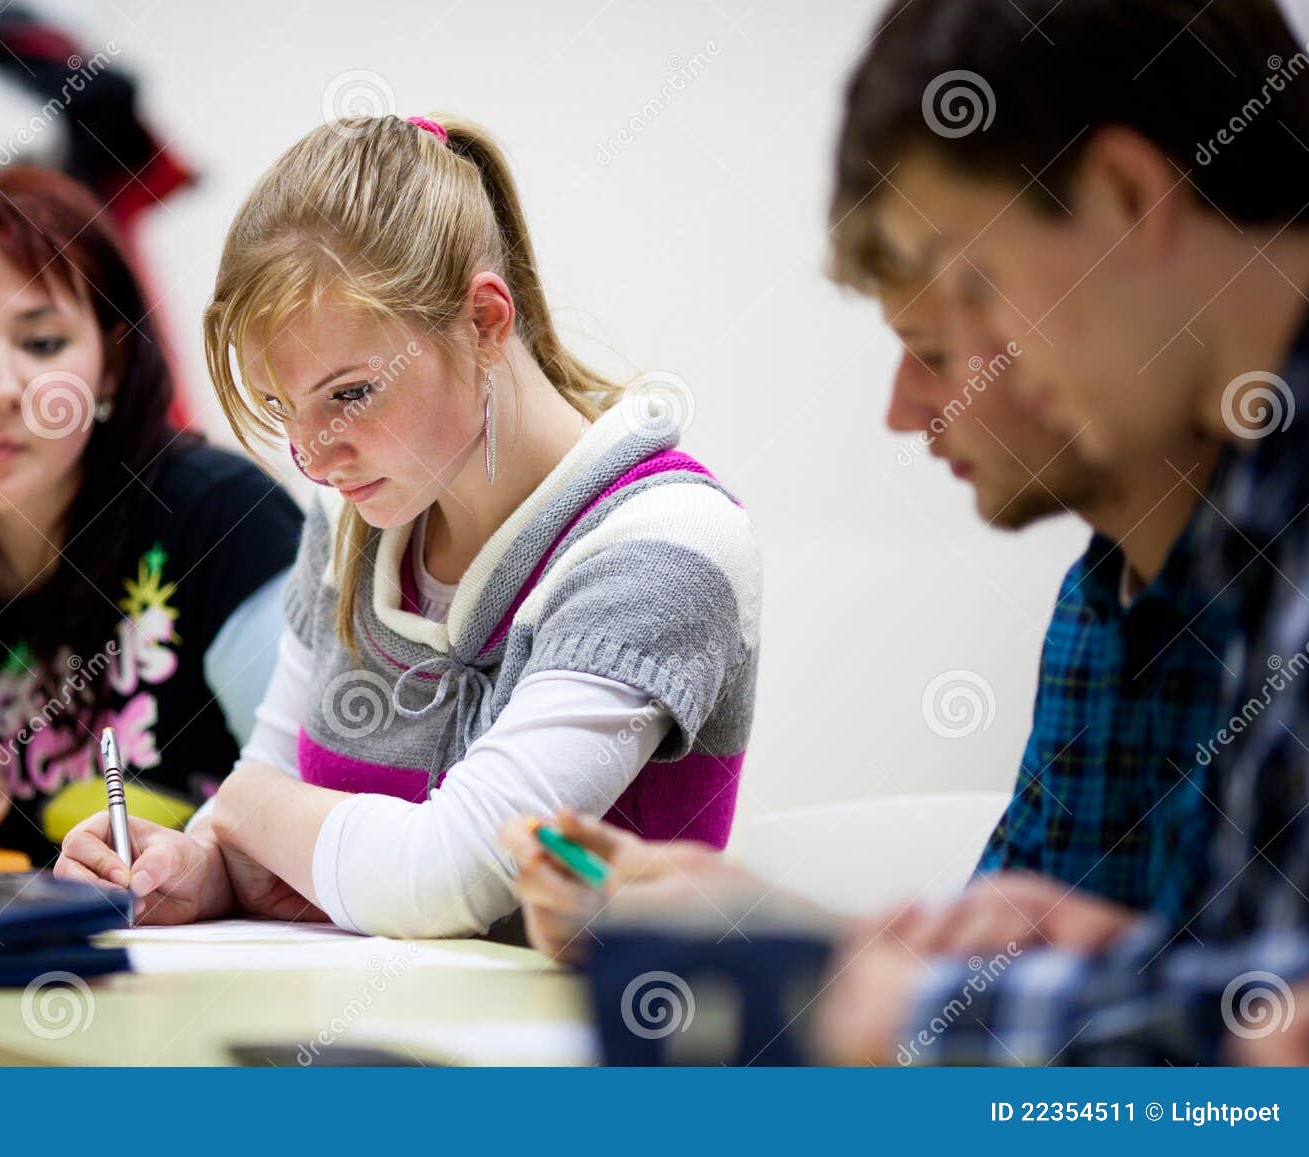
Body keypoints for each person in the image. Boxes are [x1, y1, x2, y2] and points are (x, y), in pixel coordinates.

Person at [55, 114, 762, 937]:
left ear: (486, 322)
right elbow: (270, 797)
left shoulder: (667, 544)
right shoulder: (348, 512)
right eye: (285, 408)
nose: (313, 457)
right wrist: (200, 865)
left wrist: (241, 811)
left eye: (351, 393)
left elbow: (447, 877)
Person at [499, 205, 1229, 963]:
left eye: (936, 353)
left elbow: (1216, 1054)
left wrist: (825, 968)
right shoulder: (1099, 599)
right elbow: (1000, 987)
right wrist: (740, 918)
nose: (897, 412)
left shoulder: (1259, 603)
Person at [817, 0, 1309, 1065]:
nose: (990, 362)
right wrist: (1131, 957)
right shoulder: (1255, 511)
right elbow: (1262, 1002)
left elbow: (1278, 1059)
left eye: (978, 289)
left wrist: (873, 1010)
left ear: (1130, 198)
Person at [0, 167, 301, 864]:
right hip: (23, 962)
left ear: (112, 363)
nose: (1, 389)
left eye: (41, 342)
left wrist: (204, 868)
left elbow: (317, 798)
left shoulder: (221, 518)